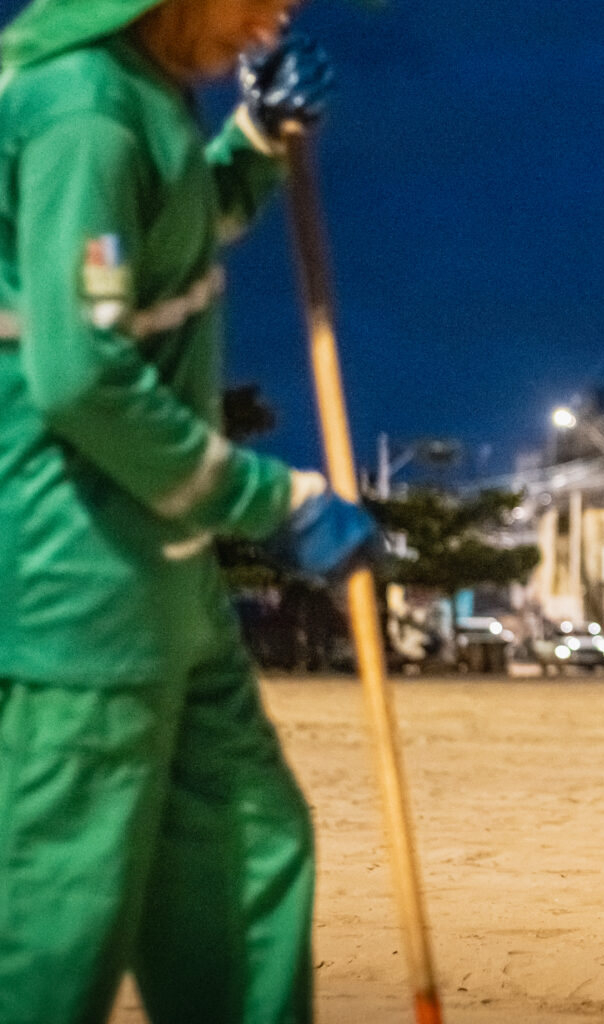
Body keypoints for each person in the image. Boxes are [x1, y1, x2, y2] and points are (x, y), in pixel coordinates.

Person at [0, 2, 376, 1021]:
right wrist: (267, 498)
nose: (277, 14)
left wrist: (250, 147)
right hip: (78, 583)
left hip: (165, 581)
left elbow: (163, 227)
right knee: (55, 925)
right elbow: (81, 379)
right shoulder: (84, 110)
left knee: (249, 857)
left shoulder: (139, 91)